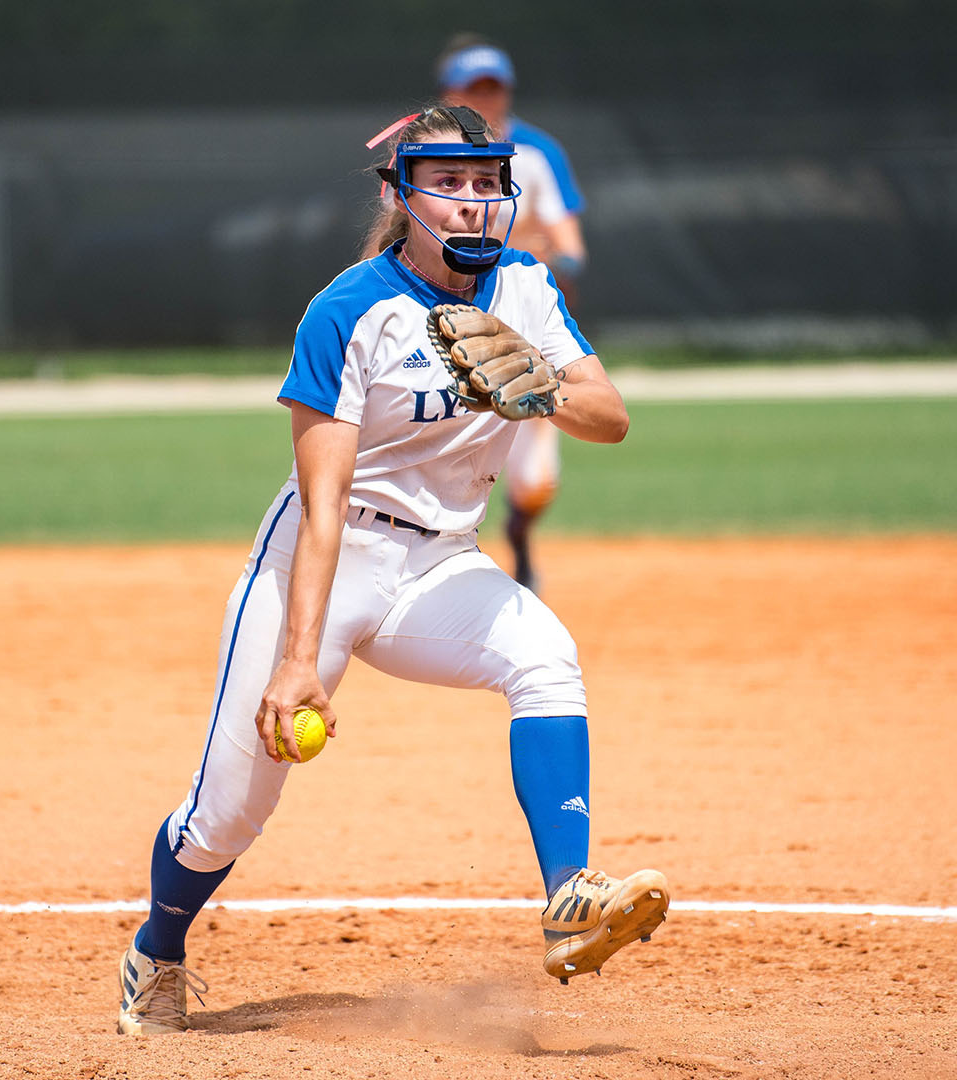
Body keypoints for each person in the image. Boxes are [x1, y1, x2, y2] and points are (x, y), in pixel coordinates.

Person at [116, 105, 669, 1037]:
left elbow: (610, 416)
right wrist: (299, 659)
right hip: (324, 561)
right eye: (444, 184)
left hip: (440, 563)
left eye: (483, 181)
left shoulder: (526, 288)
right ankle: (157, 952)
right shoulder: (349, 311)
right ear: (400, 196)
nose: (468, 202)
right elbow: (323, 501)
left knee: (547, 656)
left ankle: (570, 895)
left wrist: (543, 383)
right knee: (228, 813)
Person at [437, 34, 589, 594]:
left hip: (520, 339)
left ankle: (519, 535)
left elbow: (570, 244)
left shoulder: (535, 154)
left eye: (493, 88)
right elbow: (392, 243)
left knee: (535, 482)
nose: (486, 98)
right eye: (474, 88)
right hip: (438, 333)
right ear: (451, 93)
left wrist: (552, 256)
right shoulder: (425, 158)